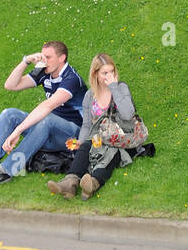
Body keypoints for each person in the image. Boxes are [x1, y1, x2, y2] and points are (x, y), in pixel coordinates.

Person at [0, 41, 87, 191]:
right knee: (9, 114)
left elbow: (48, 106)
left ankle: (6, 171)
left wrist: (17, 131)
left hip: (72, 135)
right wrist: (26, 61)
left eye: (48, 57)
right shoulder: (45, 73)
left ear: (62, 58)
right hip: (47, 130)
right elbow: (11, 85)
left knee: (46, 119)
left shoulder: (71, 79)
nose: (44, 61)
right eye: (42, 57)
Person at [48, 53, 142, 200]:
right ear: (95, 74)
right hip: (99, 136)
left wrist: (114, 88)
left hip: (121, 137)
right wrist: (80, 141)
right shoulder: (89, 95)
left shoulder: (121, 88)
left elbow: (127, 115)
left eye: (112, 72)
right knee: (85, 147)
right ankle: (69, 184)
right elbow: (86, 124)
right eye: (105, 73)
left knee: (111, 152)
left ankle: (92, 183)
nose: (109, 76)